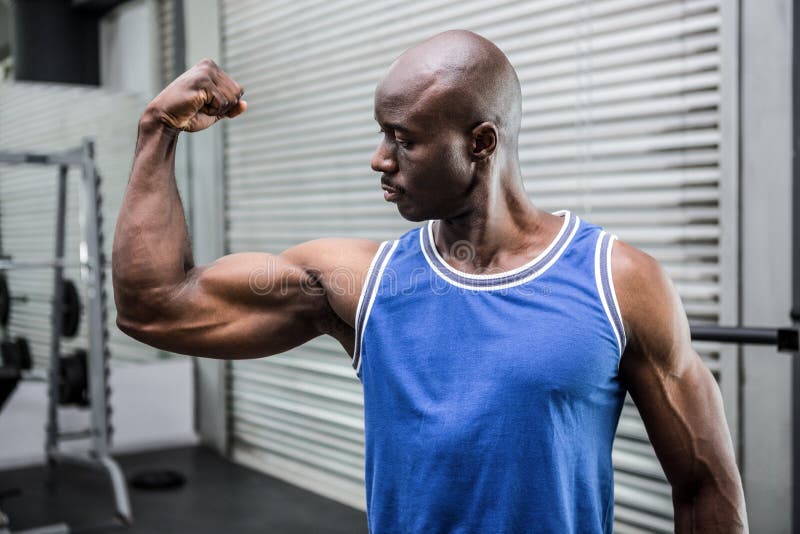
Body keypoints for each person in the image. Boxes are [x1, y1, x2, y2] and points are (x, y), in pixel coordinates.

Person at [113, 30, 747, 533]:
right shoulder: (358, 280)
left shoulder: (622, 284)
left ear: (481, 142)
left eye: (402, 138)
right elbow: (155, 307)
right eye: (381, 132)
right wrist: (155, 133)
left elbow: (705, 486)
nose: (378, 158)